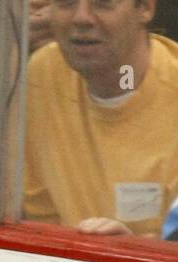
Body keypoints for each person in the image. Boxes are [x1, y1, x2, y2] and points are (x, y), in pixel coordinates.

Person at [24, 0, 178, 236]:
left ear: (146, 8)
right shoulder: (43, 73)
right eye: (66, 3)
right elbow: (38, 218)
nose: (81, 18)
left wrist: (137, 252)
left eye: (103, 3)